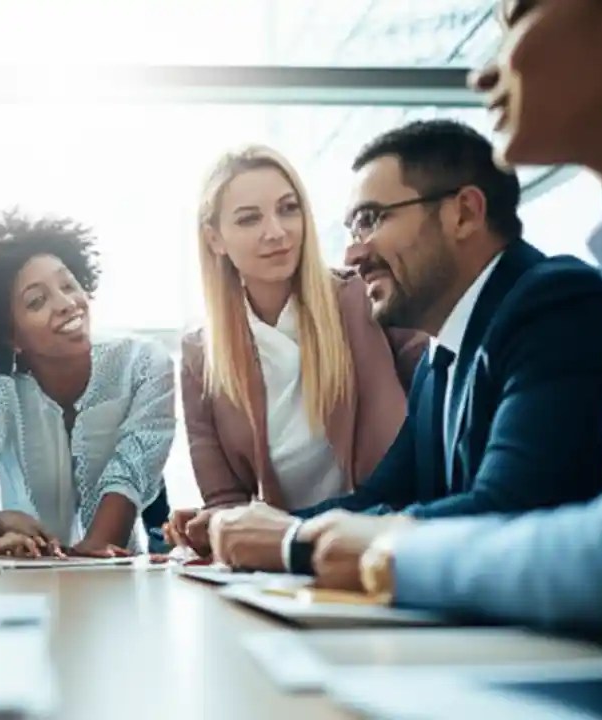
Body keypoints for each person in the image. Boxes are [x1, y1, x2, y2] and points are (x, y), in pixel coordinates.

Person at [291, 0, 602, 649]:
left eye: (520, 16)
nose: (482, 75)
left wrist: (375, 551)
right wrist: (276, 528)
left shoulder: (558, 300)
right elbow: (385, 497)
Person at [211, 119, 602, 573]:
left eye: (370, 220)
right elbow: (380, 498)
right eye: (351, 230)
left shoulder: (554, 305)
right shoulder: (438, 362)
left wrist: (292, 542)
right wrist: (248, 534)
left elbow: (507, 510)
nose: (352, 255)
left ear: (463, 213)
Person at [165, 145, 425, 558]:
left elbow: (439, 414)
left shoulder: (367, 296)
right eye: (249, 218)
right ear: (215, 238)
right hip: (283, 560)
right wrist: (212, 523)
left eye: (288, 209)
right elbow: (226, 499)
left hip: (385, 540)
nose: (276, 232)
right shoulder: (201, 352)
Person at [0, 211, 175, 558]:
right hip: (29, 584)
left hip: (119, 579)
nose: (67, 304)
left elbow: (128, 473)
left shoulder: (143, 364)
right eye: (37, 301)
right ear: (9, 335)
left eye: (68, 285)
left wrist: (93, 548)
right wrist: (2, 525)